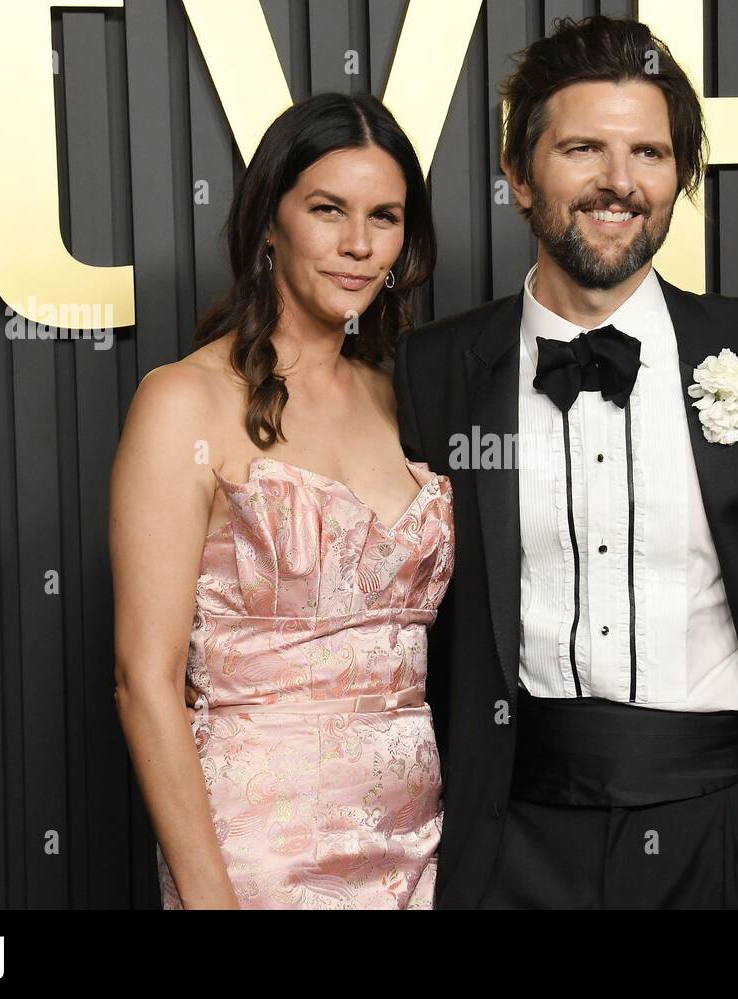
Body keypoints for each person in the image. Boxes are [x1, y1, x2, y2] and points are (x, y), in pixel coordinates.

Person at [394, 14, 738, 908]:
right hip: (506, 836)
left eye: (651, 154)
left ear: (680, 177)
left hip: (731, 823)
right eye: (584, 148)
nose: (619, 182)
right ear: (517, 174)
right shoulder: (430, 370)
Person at [111, 92, 449, 909]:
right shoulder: (182, 400)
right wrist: (208, 895)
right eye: (328, 210)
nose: (360, 245)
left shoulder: (407, 397)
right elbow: (143, 679)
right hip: (257, 850)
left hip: (423, 845)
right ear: (270, 221)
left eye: (386, 216)